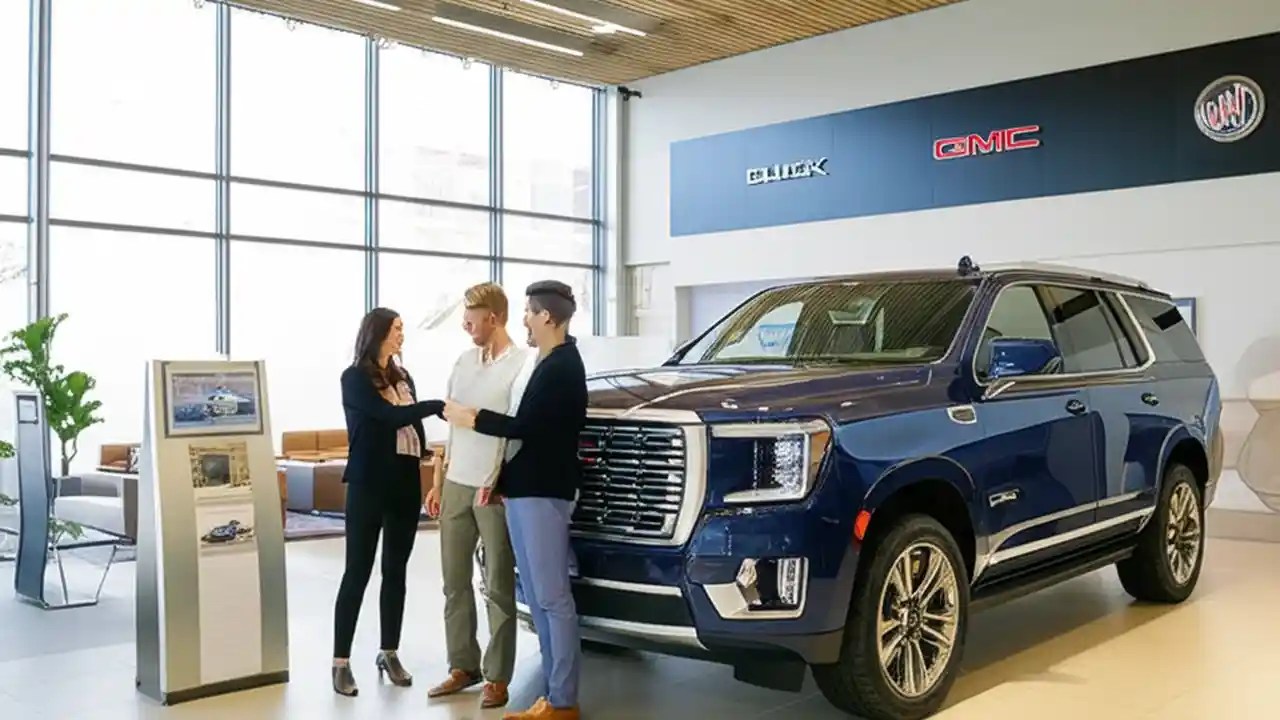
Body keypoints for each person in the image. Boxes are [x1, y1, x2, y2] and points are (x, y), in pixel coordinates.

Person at [445, 280, 588, 720]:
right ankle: (552, 695)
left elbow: (526, 427)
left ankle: (563, 701)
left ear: (548, 317)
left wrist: (472, 417)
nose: (523, 319)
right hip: (525, 491)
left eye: (529, 311)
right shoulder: (547, 362)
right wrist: (501, 480)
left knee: (552, 598)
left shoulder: (562, 367)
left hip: (544, 492)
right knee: (542, 599)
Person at [425, 283, 528, 709]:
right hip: (456, 481)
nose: (466, 326)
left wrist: (499, 480)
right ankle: (462, 666)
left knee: (498, 584)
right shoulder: (464, 361)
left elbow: (517, 433)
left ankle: (497, 676)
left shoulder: (522, 365)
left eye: (472, 319)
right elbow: (452, 424)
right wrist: (438, 479)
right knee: (454, 581)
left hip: (492, 485)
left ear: (495, 318)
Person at [332, 307, 444, 698]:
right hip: (368, 485)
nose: (401, 335)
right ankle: (340, 662)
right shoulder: (354, 378)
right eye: (396, 329)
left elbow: (413, 425)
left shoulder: (403, 377)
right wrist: (436, 405)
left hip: (404, 483)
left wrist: (428, 451)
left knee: (395, 571)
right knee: (357, 572)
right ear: (378, 332)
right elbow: (387, 416)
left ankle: (389, 652)